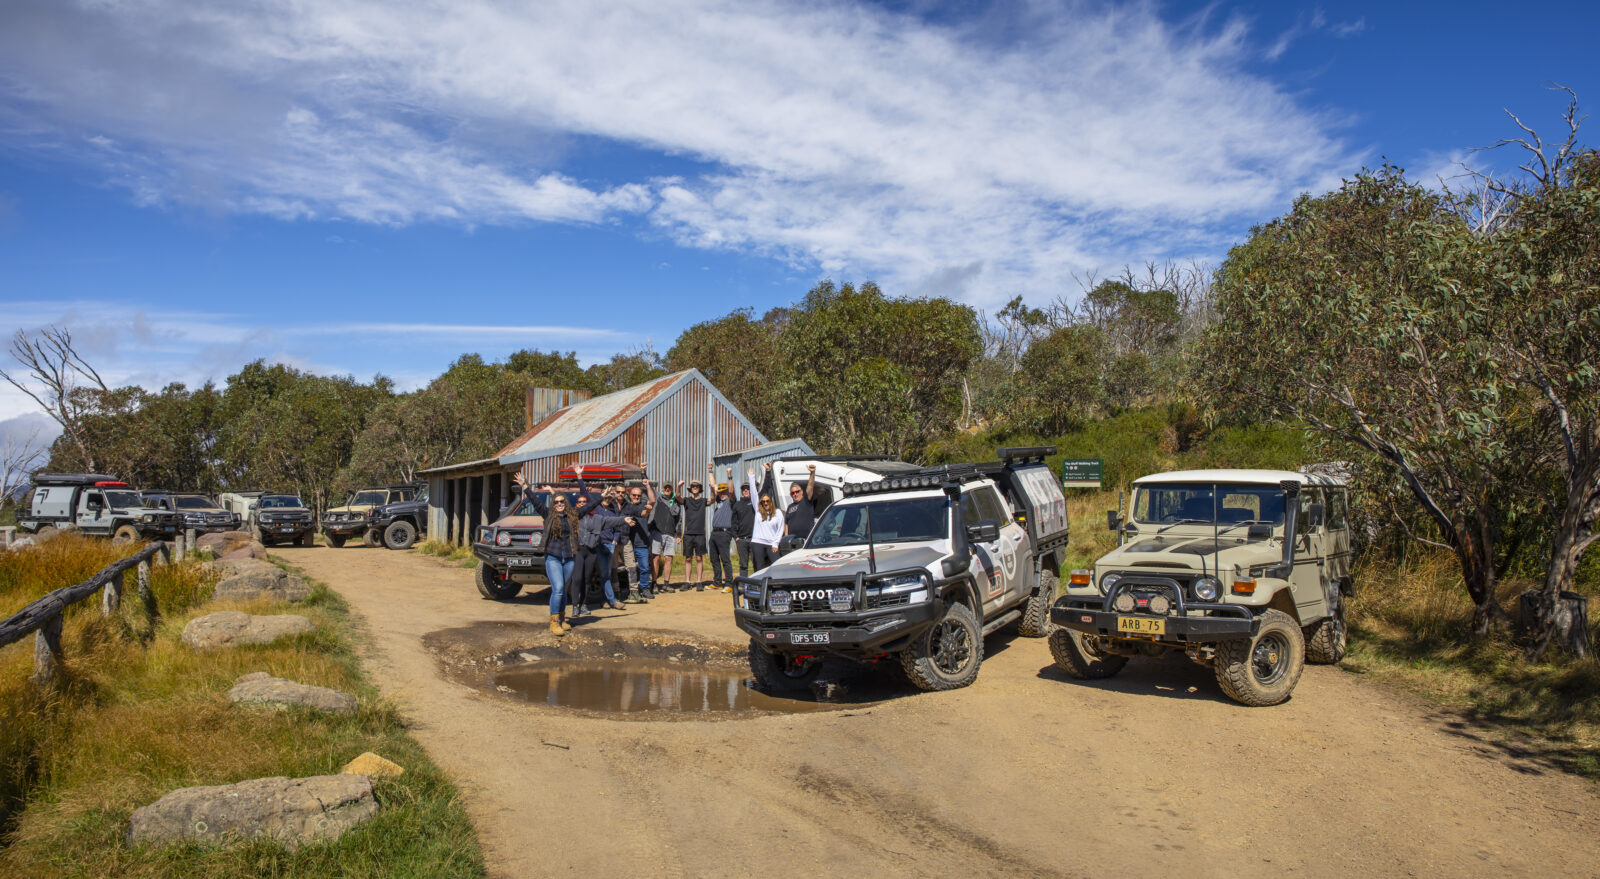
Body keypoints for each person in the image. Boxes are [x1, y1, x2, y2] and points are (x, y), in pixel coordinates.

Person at [511, 472, 582, 636]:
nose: (559, 504)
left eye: (561, 501)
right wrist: (525, 486)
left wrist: (603, 498)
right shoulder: (548, 516)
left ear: (566, 503)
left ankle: (563, 618)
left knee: (564, 589)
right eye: (556, 502)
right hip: (553, 557)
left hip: (569, 557)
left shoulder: (573, 517)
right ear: (553, 504)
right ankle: (554, 621)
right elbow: (535, 502)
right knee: (557, 588)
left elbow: (589, 507)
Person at [571, 464, 634, 615]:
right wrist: (579, 476)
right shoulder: (594, 509)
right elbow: (585, 494)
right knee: (586, 576)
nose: (607, 499)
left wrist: (619, 530)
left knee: (605, 574)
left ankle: (601, 600)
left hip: (607, 546)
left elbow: (615, 523)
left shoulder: (609, 513)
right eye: (605, 497)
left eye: (609, 497)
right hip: (593, 547)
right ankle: (587, 603)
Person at [619, 468, 657, 602]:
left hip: (641, 542)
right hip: (625, 542)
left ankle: (645, 588)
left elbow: (651, 501)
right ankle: (627, 589)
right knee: (625, 569)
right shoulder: (625, 506)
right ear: (630, 495)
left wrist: (647, 485)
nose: (636, 497)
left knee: (644, 567)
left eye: (638, 496)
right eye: (634, 495)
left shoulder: (642, 506)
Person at [707, 469, 737, 592]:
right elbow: (713, 485)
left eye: (724, 491)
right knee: (714, 558)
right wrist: (710, 470)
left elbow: (731, 491)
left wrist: (729, 476)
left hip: (725, 532)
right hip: (715, 532)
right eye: (720, 491)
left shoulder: (731, 501)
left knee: (725, 559)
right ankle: (717, 582)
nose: (722, 493)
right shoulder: (719, 499)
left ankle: (729, 583)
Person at [748, 466, 783, 571]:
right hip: (757, 542)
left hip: (771, 543)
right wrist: (751, 477)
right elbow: (754, 494)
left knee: (776, 566)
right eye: (763, 501)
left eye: (767, 501)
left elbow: (780, 529)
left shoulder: (778, 513)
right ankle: (760, 585)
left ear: (771, 501)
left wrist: (776, 543)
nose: (765, 503)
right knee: (759, 567)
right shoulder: (758, 511)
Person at [649, 481, 681, 591]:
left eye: (669, 488)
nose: (667, 489)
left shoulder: (676, 502)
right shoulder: (658, 497)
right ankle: (654, 583)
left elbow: (679, 520)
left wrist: (678, 534)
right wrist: (643, 474)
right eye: (665, 487)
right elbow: (649, 488)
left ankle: (666, 584)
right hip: (658, 532)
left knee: (668, 558)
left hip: (670, 534)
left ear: (672, 489)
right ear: (662, 489)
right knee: (656, 558)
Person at [678, 474, 708, 588]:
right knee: (688, 558)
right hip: (688, 533)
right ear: (690, 488)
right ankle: (687, 582)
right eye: (693, 486)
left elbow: (713, 500)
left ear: (700, 488)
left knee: (699, 558)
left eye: (697, 486)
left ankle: (699, 581)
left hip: (700, 533)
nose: (695, 487)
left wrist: (712, 490)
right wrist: (679, 486)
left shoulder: (703, 501)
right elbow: (678, 497)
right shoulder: (686, 501)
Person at [782, 463, 818, 552]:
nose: (795, 494)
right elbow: (786, 523)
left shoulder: (806, 501)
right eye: (792, 493)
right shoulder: (790, 507)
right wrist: (786, 538)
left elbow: (810, 487)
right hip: (793, 543)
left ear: (802, 492)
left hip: (806, 541)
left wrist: (812, 473)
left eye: (797, 491)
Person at [731, 466, 755, 579]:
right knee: (743, 564)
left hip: (754, 539)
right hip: (742, 539)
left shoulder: (755, 503)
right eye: (743, 489)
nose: (745, 490)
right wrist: (736, 537)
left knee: (756, 562)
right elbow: (733, 522)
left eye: (748, 488)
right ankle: (743, 584)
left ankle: (758, 583)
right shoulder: (737, 504)